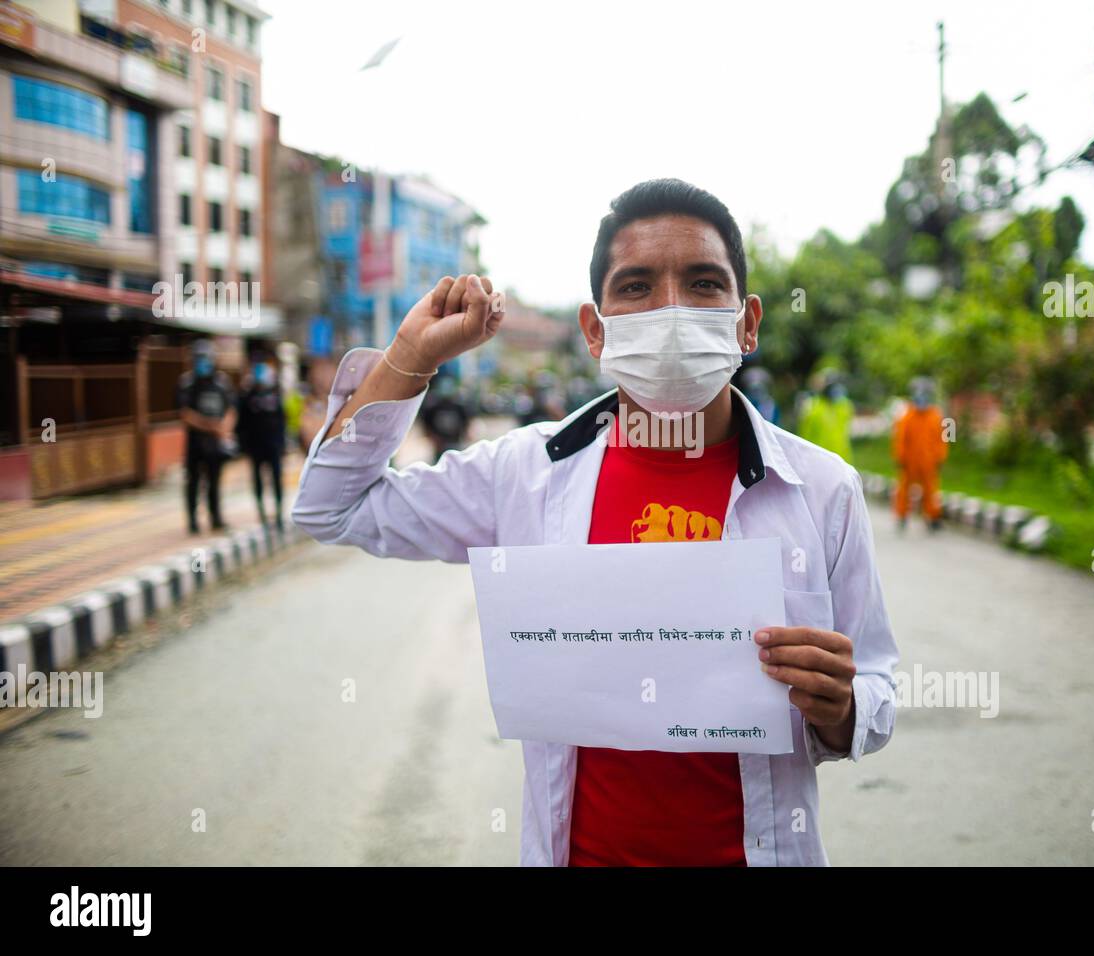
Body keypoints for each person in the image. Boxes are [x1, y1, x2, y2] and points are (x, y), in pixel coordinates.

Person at [292, 178, 898, 867]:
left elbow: (877, 689)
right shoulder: (522, 474)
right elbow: (331, 506)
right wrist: (409, 357)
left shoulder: (822, 490)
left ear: (747, 322)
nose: (670, 310)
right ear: (594, 329)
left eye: (703, 284)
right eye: (636, 287)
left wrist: (843, 706)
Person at [177, 339, 236, 534]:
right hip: (195, 443)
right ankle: (193, 521)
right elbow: (185, 414)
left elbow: (231, 409)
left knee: (215, 482)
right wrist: (211, 426)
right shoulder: (187, 383)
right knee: (193, 482)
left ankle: (216, 518)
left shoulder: (221, 383)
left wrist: (224, 427)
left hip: (215, 445)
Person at [237, 354, 287, 531]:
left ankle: (279, 513)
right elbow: (241, 422)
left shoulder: (275, 393)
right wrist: (243, 446)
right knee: (258, 480)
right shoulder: (247, 396)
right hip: (255, 446)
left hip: (273, 445)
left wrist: (283, 444)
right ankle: (262, 513)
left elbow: (282, 420)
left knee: (276, 479)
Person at [892, 376, 948, 532]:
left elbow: (944, 439)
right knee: (904, 489)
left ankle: (933, 517)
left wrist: (941, 457)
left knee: (931, 490)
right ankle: (902, 515)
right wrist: (899, 457)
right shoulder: (906, 416)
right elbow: (900, 439)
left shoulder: (936, 416)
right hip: (909, 461)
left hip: (929, 461)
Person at [797, 371, 854, 463]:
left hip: (842, 457)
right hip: (819, 458)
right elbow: (805, 434)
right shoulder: (812, 405)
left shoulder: (844, 405)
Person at [417, 377, 471, 464]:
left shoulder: (458, 406)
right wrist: (431, 436)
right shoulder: (433, 406)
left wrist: (465, 433)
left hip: (455, 441)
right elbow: (426, 422)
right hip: (439, 442)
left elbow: (466, 421)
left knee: (456, 464)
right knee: (439, 464)